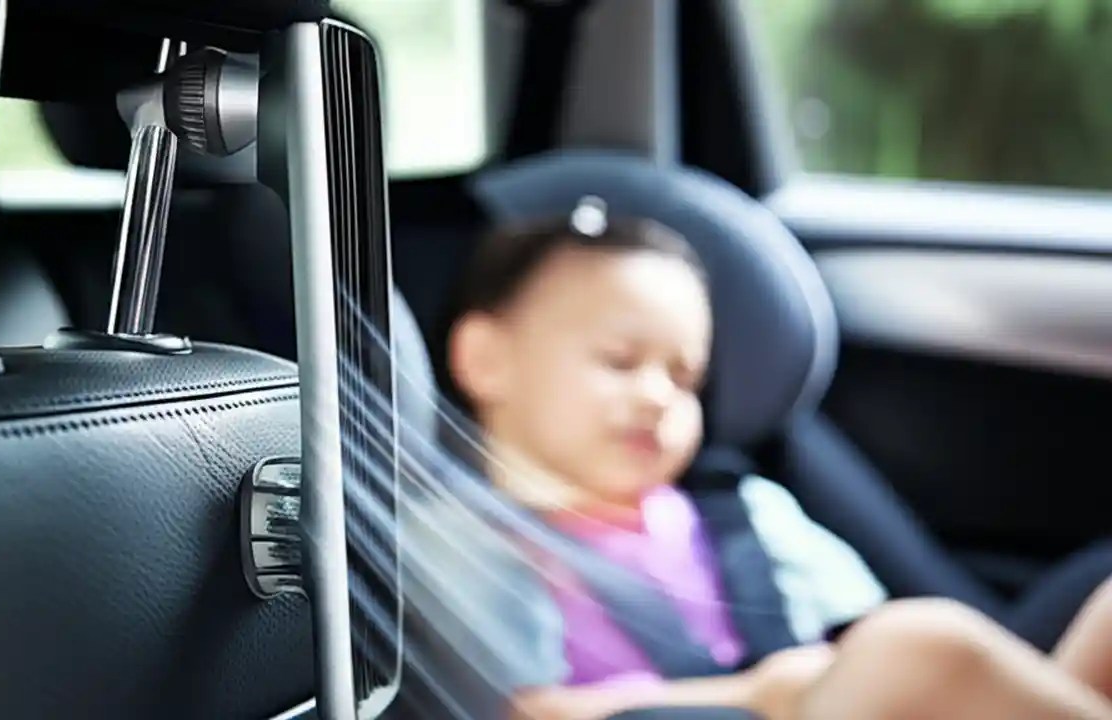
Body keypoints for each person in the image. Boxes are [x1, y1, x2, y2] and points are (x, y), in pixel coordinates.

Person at [405, 196, 1112, 720]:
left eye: (685, 377)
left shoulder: (747, 515)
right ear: (485, 358)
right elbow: (527, 713)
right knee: (918, 648)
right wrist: (757, 693)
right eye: (620, 361)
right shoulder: (468, 545)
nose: (658, 397)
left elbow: (858, 635)